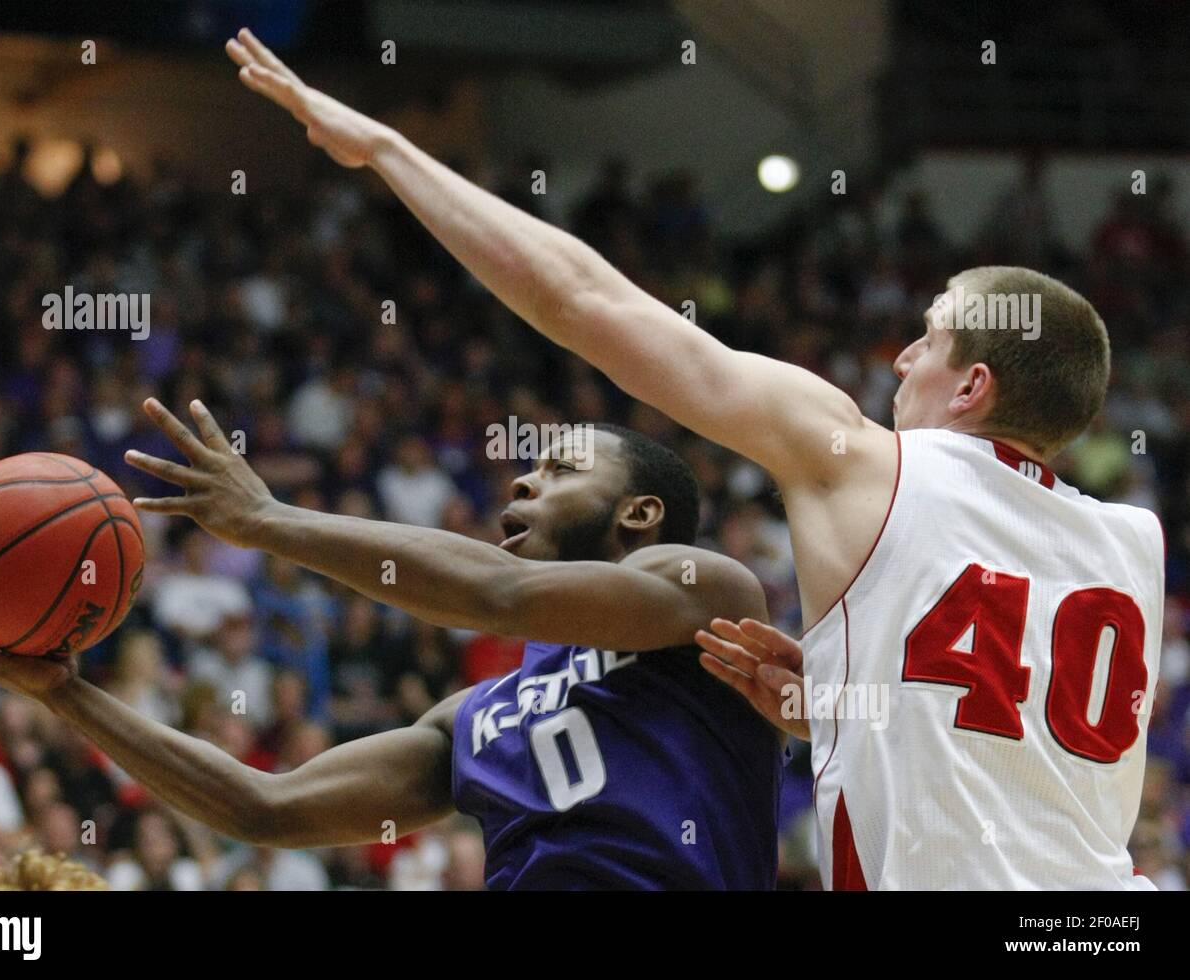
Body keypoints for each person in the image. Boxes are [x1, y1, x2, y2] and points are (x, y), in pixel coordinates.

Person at [223, 30, 1164, 889]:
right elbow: (1012, 752)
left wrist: (387, 150)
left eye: (928, 340)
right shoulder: (1135, 541)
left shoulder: (868, 462)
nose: (902, 357)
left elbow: (589, 304)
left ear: (972, 387)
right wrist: (839, 710)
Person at [0, 398, 782, 890]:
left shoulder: (705, 598)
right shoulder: (477, 718)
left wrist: (270, 521)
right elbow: (265, 809)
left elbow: (497, 593)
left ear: (639, 514)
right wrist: (59, 691)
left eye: (562, 470)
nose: (524, 477)